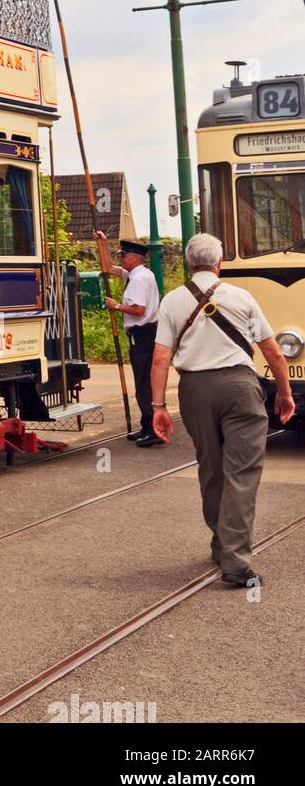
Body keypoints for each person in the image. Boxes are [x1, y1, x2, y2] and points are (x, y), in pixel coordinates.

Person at [151, 232, 297, 588]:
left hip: (195, 390)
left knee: (212, 468)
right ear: (219, 263)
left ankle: (222, 543)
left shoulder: (172, 300)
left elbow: (159, 358)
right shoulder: (241, 296)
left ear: (189, 263)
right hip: (239, 388)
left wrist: (158, 406)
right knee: (242, 473)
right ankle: (235, 562)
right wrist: (284, 392)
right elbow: (273, 351)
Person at [97, 232, 161, 446]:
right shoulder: (137, 275)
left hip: (143, 334)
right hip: (145, 334)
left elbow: (138, 309)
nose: (121, 259)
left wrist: (115, 306)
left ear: (134, 257)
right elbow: (107, 268)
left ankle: (153, 429)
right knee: (144, 382)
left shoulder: (139, 279)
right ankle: (146, 425)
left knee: (144, 383)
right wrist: (103, 244)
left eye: (123, 256)